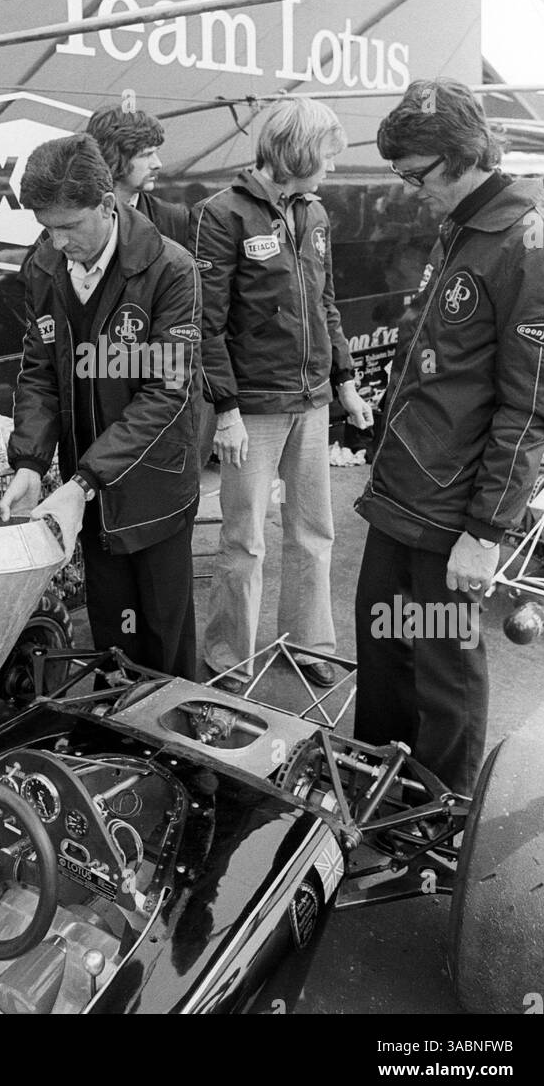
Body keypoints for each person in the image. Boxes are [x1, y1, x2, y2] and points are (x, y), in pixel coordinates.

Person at [354, 78, 544, 795]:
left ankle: (439, 818)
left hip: (453, 511)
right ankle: (375, 786)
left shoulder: (530, 238)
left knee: (444, 670)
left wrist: (487, 529)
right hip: (405, 489)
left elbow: (530, 403)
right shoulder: (464, 223)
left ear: (462, 156)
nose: (411, 191)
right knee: (384, 647)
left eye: (416, 176)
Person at [0, 133, 202, 679]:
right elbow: (39, 372)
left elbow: (166, 392)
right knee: (114, 638)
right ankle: (122, 747)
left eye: (70, 226)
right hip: (84, 494)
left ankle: (184, 755)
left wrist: (84, 481)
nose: (58, 241)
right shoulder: (42, 267)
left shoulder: (170, 269)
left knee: (165, 637)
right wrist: (29, 463)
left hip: (153, 488)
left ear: (108, 205)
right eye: (47, 227)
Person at [193, 97, 372, 692]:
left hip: (313, 401)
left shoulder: (315, 213)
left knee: (313, 531)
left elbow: (325, 303)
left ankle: (309, 646)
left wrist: (344, 382)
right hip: (253, 408)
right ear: (297, 149)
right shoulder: (223, 214)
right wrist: (225, 410)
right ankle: (226, 658)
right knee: (244, 539)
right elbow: (206, 323)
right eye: (326, 154)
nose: (332, 167)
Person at [86, 104, 191, 246]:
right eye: (146, 155)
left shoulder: (174, 220)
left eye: (156, 152)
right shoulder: (71, 217)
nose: (157, 164)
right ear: (113, 157)